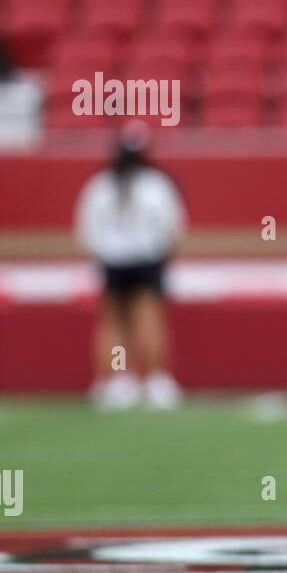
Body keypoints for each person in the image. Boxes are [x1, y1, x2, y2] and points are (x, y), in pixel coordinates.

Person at [75, 121, 186, 410]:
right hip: (147, 260)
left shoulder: (100, 185)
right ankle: (155, 380)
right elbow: (173, 228)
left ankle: (118, 379)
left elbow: (86, 230)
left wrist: (106, 252)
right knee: (148, 319)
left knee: (114, 322)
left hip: (113, 261)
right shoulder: (157, 184)